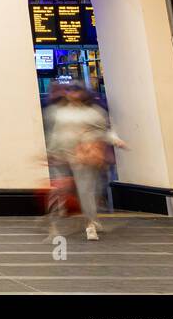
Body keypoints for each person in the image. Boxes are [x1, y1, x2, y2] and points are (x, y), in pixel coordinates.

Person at [44, 85, 125, 241]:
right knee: (62, 190)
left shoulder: (93, 113)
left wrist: (115, 140)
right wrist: (51, 152)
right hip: (62, 154)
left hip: (83, 156)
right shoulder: (61, 113)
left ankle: (90, 223)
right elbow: (56, 133)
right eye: (70, 91)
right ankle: (66, 223)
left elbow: (104, 130)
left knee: (86, 190)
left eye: (76, 91)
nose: (72, 94)